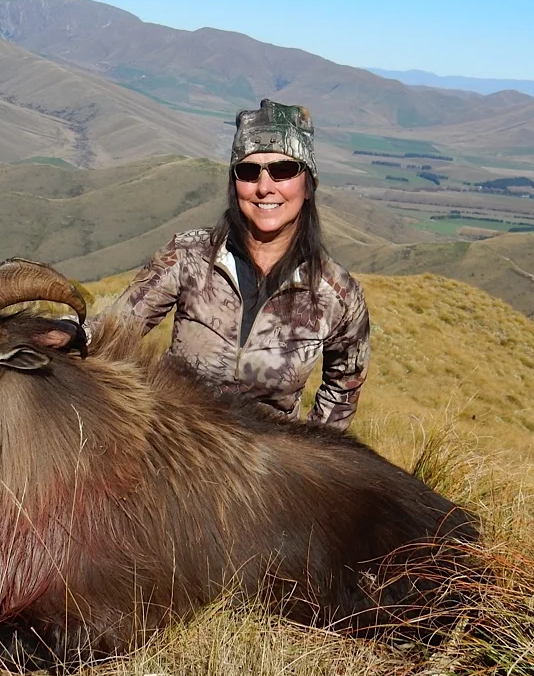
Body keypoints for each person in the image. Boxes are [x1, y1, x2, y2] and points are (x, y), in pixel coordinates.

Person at [95, 99, 370, 432]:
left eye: (283, 170)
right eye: (248, 171)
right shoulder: (187, 256)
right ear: (234, 182)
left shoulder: (338, 294)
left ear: (308, 184)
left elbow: (342, 389)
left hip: (267, 468)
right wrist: (68, 331)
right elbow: (116, 325)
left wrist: (309, 459)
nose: (264, 187)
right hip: (172, 448)